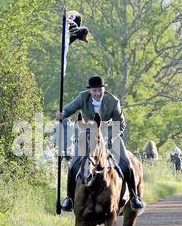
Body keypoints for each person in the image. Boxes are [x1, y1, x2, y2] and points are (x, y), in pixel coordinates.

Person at [55, 75, 145, 212]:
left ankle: (134, 197)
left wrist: (107, 139)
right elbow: (69, 109)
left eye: (100, 90)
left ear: (104, 89)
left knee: (126, 163)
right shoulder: (82, 97)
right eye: (94, 91)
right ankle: (69, 198)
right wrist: (62, 114)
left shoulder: (113, 101)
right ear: (90, 91)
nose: (97, 94)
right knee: (73, 164)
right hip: (87, 135)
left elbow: (120, 124)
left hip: (110, 135)